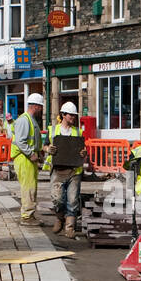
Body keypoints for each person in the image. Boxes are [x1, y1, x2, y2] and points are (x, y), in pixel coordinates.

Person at [43, 101, 84, 237]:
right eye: (70, 115)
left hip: (74, 171)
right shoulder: (53, 130)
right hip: (57, 170)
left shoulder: (78, 131)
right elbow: (44, 146)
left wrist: (84, 153)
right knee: (58, 199)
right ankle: (60, 218)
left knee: (72, 199)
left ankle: (70, 226)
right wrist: (48, 149)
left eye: (74, 115)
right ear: (63, 115)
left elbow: (82, 149)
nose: (73, 117)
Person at [10, 94, 45, 226]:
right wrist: (31, 154)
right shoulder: (24, 120)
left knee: (31, 187)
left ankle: (29, 214)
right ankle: (26, 216)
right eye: (40, 106)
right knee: (28, 187)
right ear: (35, 106)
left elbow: (33, 140)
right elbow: (20, 141)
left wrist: (39, 152)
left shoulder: (30, 120)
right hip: (24, 158)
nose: (41, 109)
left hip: (28, 158)